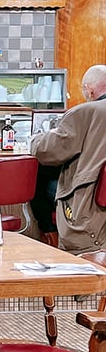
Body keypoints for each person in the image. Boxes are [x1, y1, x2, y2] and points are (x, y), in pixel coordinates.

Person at [30, 64, 106, 254]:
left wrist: (35, 139)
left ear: (89, 89)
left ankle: (49, 236)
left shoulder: (85, 112)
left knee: (39, 176)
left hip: (91, 206)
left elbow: (47, 151)